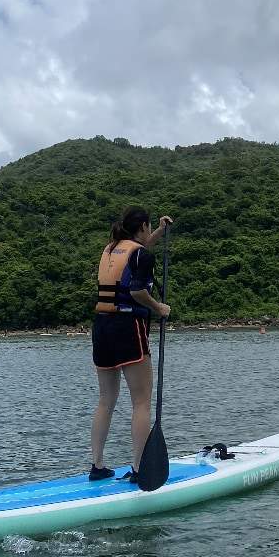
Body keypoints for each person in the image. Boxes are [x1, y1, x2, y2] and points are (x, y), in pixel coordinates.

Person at [89, 206, 173, 484]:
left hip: (102, 327)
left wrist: (160, 231)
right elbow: (137, 290)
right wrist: (159, 307)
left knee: (106, 400)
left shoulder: (110, 249)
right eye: (149, 227)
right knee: (141, 402)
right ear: (142, 227)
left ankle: (97, 465)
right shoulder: (141, 255)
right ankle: (138, 468)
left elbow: (138, 252)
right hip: (128, 328)